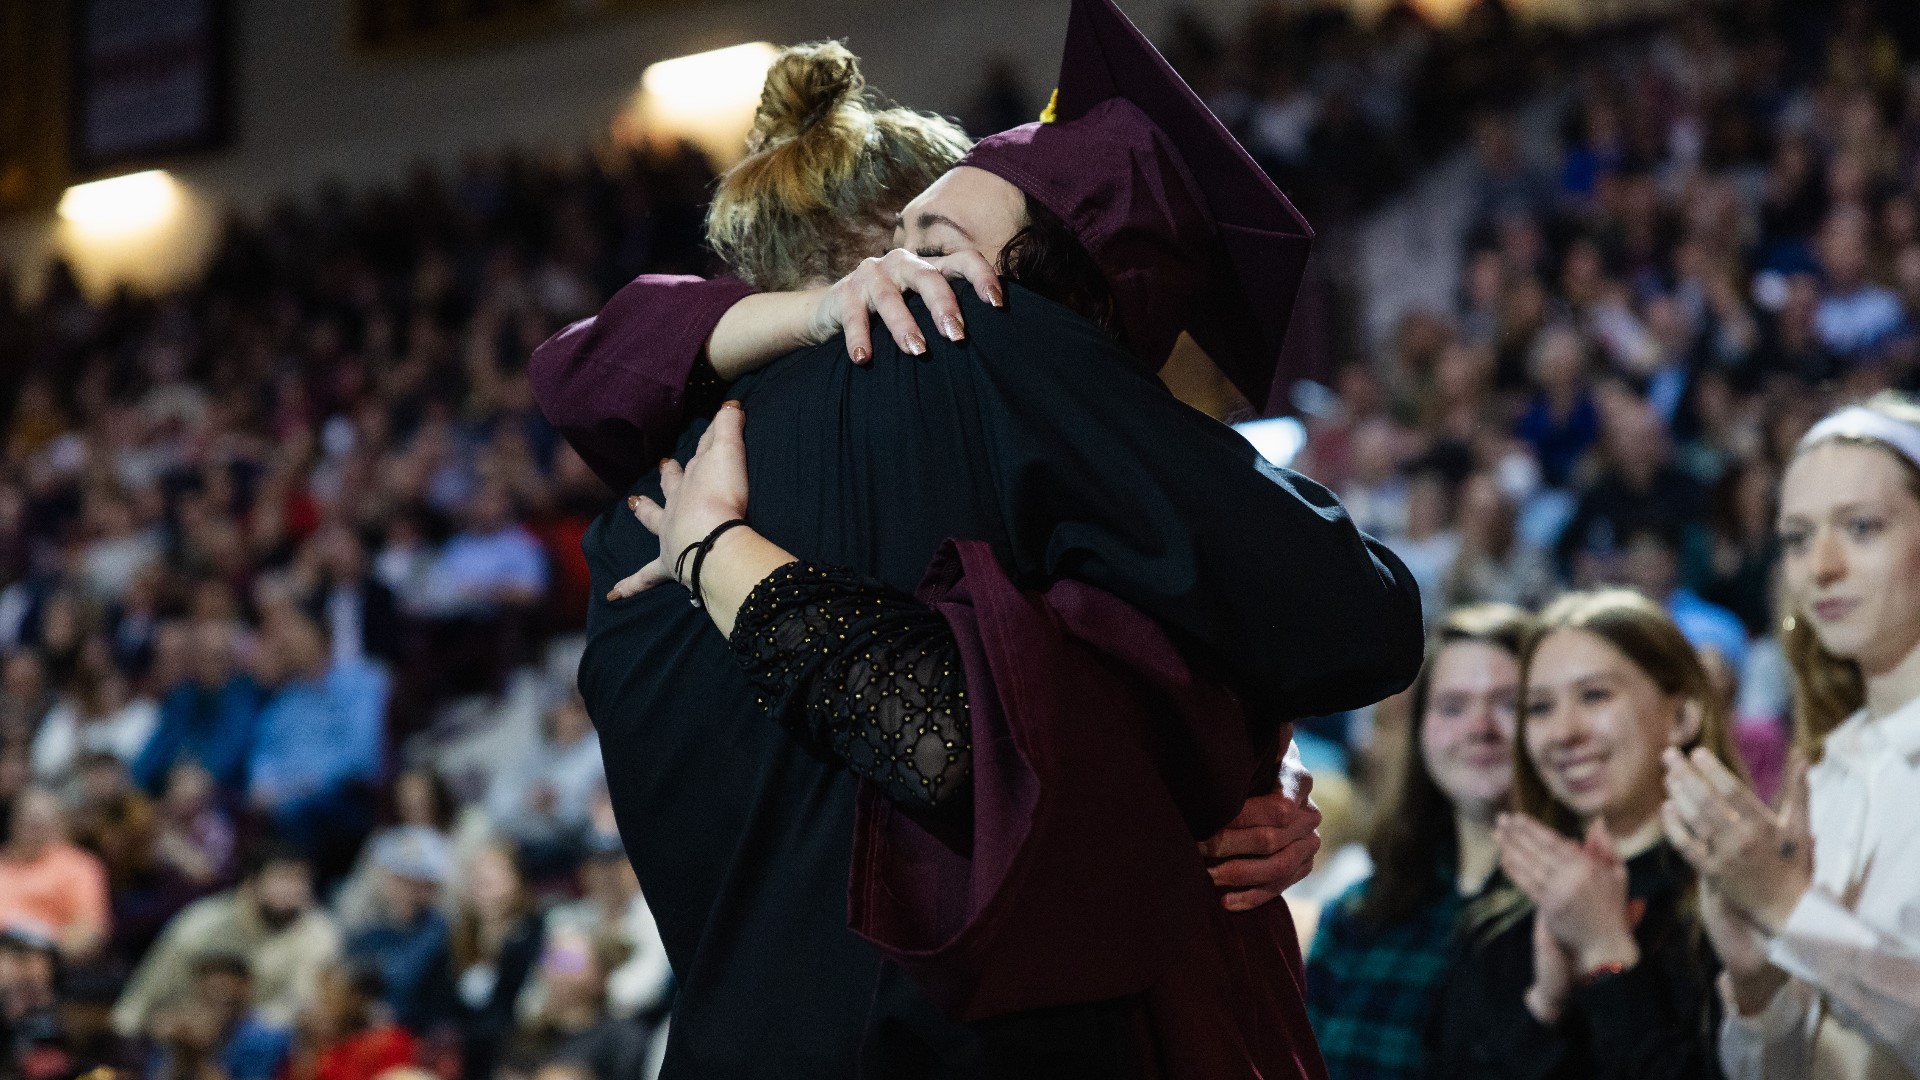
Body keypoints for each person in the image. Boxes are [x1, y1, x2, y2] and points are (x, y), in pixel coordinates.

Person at [574, 1, 1420, 1074]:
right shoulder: (983, 356)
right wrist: (1230, 761)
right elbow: (1355, 616)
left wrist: (1242, 758)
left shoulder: (628, 524)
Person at [1665, 394, 1920, 1078]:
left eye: (1862, 527)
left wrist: (1785, 904)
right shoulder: (1830, 769)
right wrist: (1758, 985)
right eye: (1798, 537)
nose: (1821, 567)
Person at [1427, 589, 1734, 1079]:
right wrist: (1544, 1004)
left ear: (1681, 717)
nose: (1563, 732)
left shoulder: (1732, 898)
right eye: (1539, 707)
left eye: (1594, 696)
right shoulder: (1501, 910)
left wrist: (1606, 953)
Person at [1307, 603, 1530, 1080]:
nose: (1481, 727)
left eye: (1508, 703)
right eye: (1453, 706)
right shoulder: (1357, 914)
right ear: (1421, 731)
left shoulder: (1574, 913)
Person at [114, 842, 341, 1037]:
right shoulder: (201, 924)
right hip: (184, 1031)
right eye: (283, 879)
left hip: (263, 1043)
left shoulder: (319, 933)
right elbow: (147, 993)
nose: (293, 891)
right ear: (250, 883)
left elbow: (304, 1004)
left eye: (301, 881)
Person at [342, 826, 455, 1034]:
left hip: (412, 1035)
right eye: (400, 878)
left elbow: (440, 1007)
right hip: (360, 1030)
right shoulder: (366, 927)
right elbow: (349, 982)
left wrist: (398, 1016)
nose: (407, 890)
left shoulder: (441, 935)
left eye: (417, 882)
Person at [0, 787, 109, 959]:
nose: (35, 831)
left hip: (45, 961)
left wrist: (45, 954)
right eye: (28, 822)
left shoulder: (79, 866)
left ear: (61, 825)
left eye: (42, 824)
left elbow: (90, 931)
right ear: (13, 823)